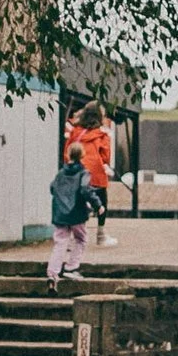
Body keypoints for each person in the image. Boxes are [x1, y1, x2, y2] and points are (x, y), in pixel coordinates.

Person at [67, 102, 116, 246]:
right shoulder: (102, 135)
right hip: (95, 174)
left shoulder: (75, 132)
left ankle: (72, 238)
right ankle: (101, 235)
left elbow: (67, 153)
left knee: (74, 204)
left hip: (75, 173)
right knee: (102, 201)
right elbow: (106, 157)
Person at [48, 143, 95, 289]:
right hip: (76, 213)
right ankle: (71, 267)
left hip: (61, 213)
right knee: (81, 239)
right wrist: (98, 205)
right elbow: (85, 190)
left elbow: (52, 188)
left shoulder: (61, 173)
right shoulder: (83, 173)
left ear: (69, 155)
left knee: (60, 242)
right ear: (82, 155)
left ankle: (52, 273)